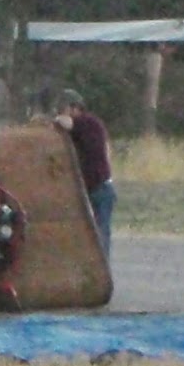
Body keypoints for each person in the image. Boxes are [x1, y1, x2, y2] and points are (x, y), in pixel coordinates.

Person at [53, 88, 115, 257]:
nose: (61, 113)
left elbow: (66, 122)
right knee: (89, 233)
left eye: (63, 108)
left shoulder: (88, 122)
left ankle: (101, 267)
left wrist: (53, 121)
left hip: (100, 189)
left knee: (100, 233)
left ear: (75, 108)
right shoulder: (78, 130)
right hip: (89, 189)